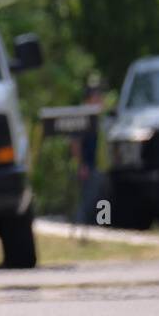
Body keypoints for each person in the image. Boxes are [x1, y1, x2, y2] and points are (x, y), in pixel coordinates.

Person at [73, 75, 105, 224]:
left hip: (97, 166)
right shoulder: (83, 118)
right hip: (87, 167)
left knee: (100, 198)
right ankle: (81, 224)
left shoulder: (97, 118)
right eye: (96, 97)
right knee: (87, 200)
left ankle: (101, 223)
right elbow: (76, 143)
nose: (100, 100)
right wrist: (81, 165)